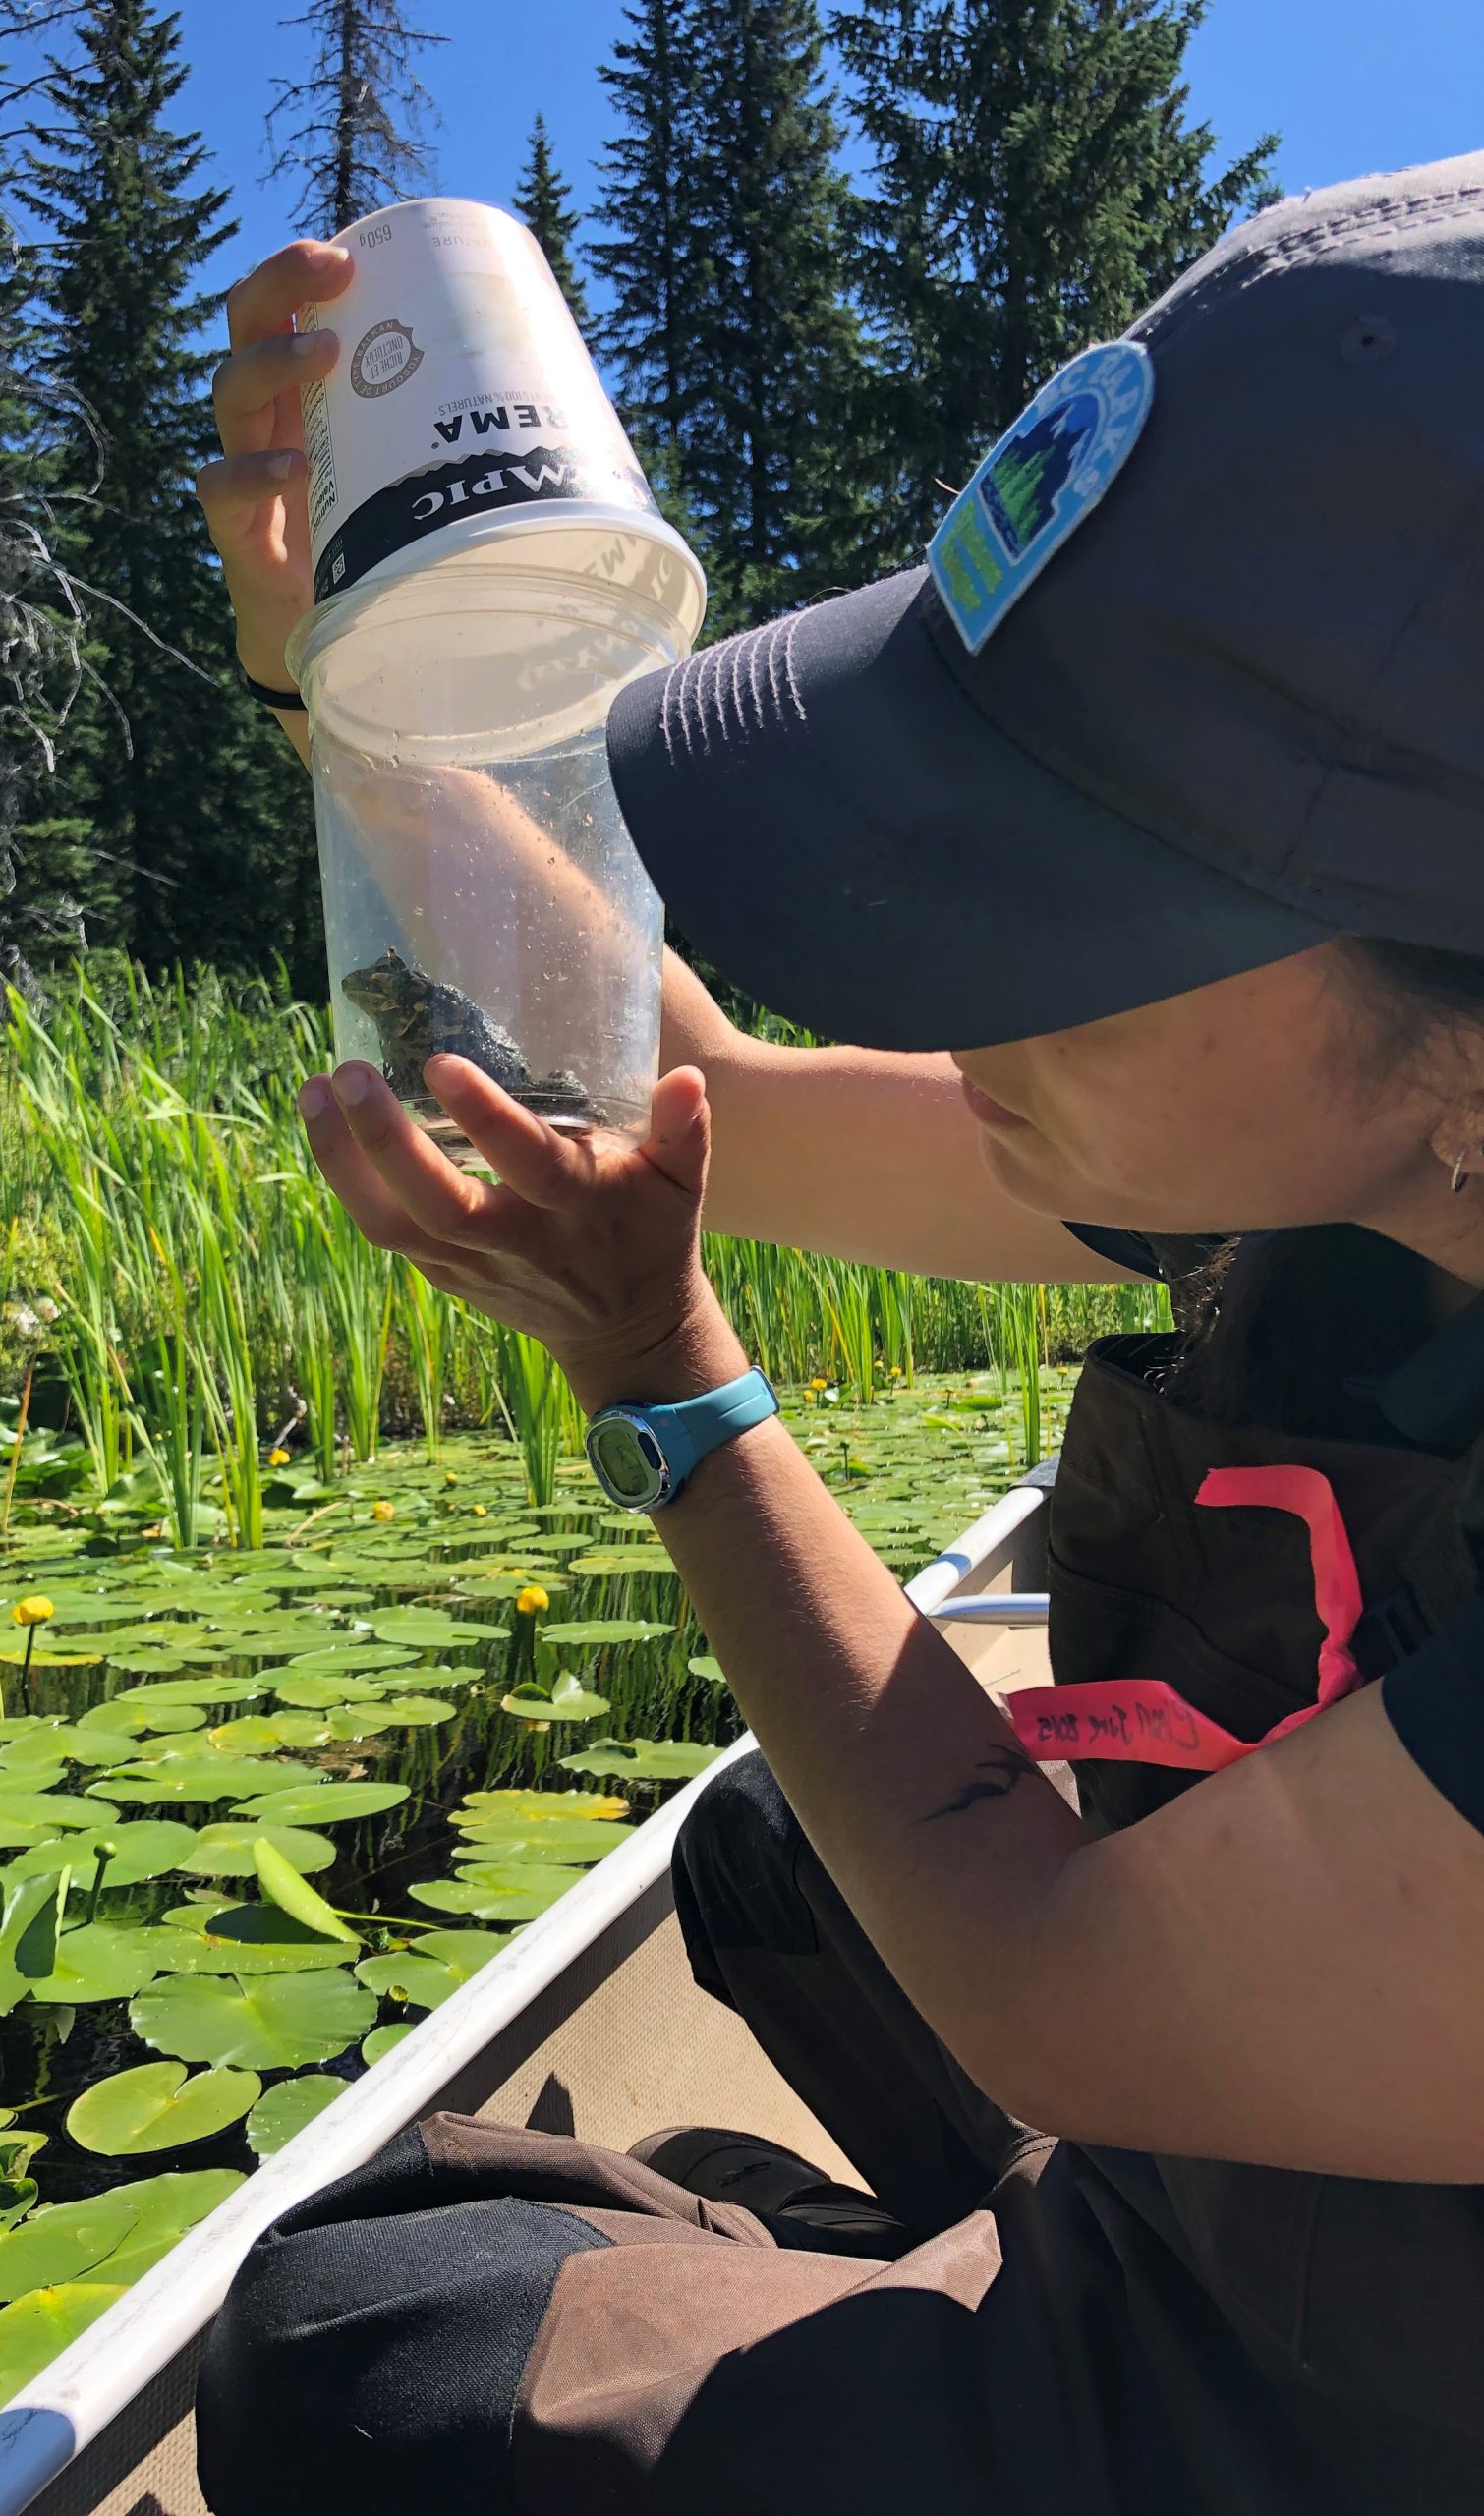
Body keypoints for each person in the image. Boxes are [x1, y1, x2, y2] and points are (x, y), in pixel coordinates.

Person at [194, 151, 1484, 2515]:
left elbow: (1056, 1976)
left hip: (1374, 2425)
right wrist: (345, 680)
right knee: (790, 1839)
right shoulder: (1351, 1151)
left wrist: (671, 1386)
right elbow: (735, 1102)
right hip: (1284, 2180)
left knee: (358, 2337)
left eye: (1054, 882)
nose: (923, 959)